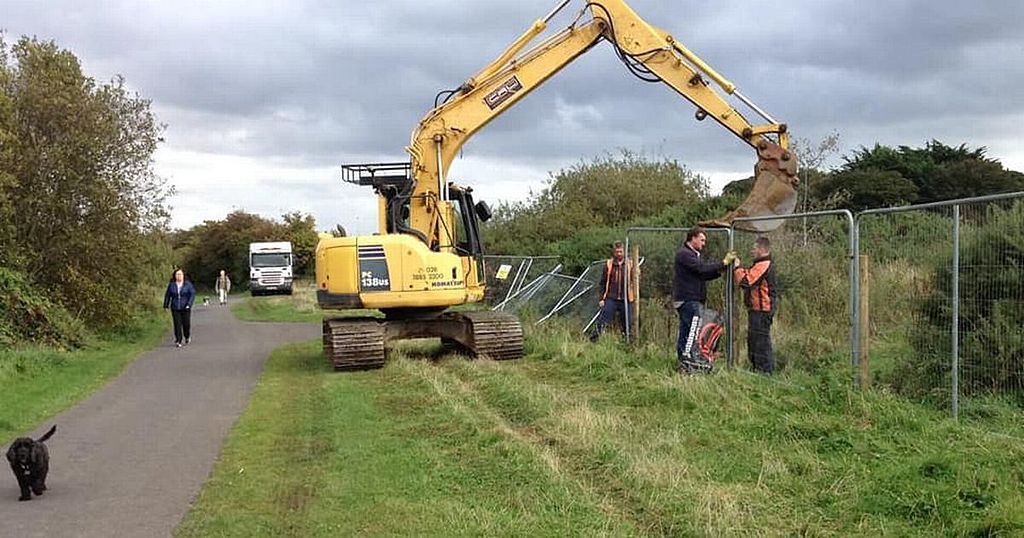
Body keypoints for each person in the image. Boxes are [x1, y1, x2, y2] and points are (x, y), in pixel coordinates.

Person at [673, 227, 735, 373]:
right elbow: (701, 269)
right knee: (693, 333)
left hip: (689, 299)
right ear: (693, 238)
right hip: (689, 299)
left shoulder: (692, 255)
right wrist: (723, 263)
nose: (704, 243)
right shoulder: (685, 254)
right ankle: (688, 363)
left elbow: (702, 274)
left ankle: (683, 362)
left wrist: (720, 270)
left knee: (685, 331)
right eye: (702, 240)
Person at [733, 236, 778, 374]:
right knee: (753, 341)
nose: (752, 251)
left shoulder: (764, 265)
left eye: (754, 248)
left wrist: (737, 268)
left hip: (762, 310)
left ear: (761, 249)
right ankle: (756, 370)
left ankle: (765, 372)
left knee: (761, 342)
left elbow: (746, 282)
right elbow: (750, 275)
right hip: (756, 310)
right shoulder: (759, 265)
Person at [589, 241, 636, 341]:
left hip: (626, 298)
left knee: (627, 323)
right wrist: (601, 299)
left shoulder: (630, 264)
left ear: (624, 252)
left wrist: (638, 273)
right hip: (611, 298)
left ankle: (627, 342)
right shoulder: (609, 264)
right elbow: (603, 282)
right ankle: (594, 340)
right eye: (617, 252)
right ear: (614, 252)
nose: (619, 254)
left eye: (621, 251)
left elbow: (635, 281)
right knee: (602, 320)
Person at [163, 269, 196, 348]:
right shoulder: (172, 285)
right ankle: (178, 340)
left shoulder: (188, 284)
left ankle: (187, 336)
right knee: (177, 324)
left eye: (180, 274)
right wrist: (166, 305)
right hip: (175, 307)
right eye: (177, 274)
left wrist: (189, 304)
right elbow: (168, 295)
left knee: (186, 324)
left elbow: (192, 294)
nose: (179, 276)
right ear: (175, 276)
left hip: (185, 307)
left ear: (183, 275)